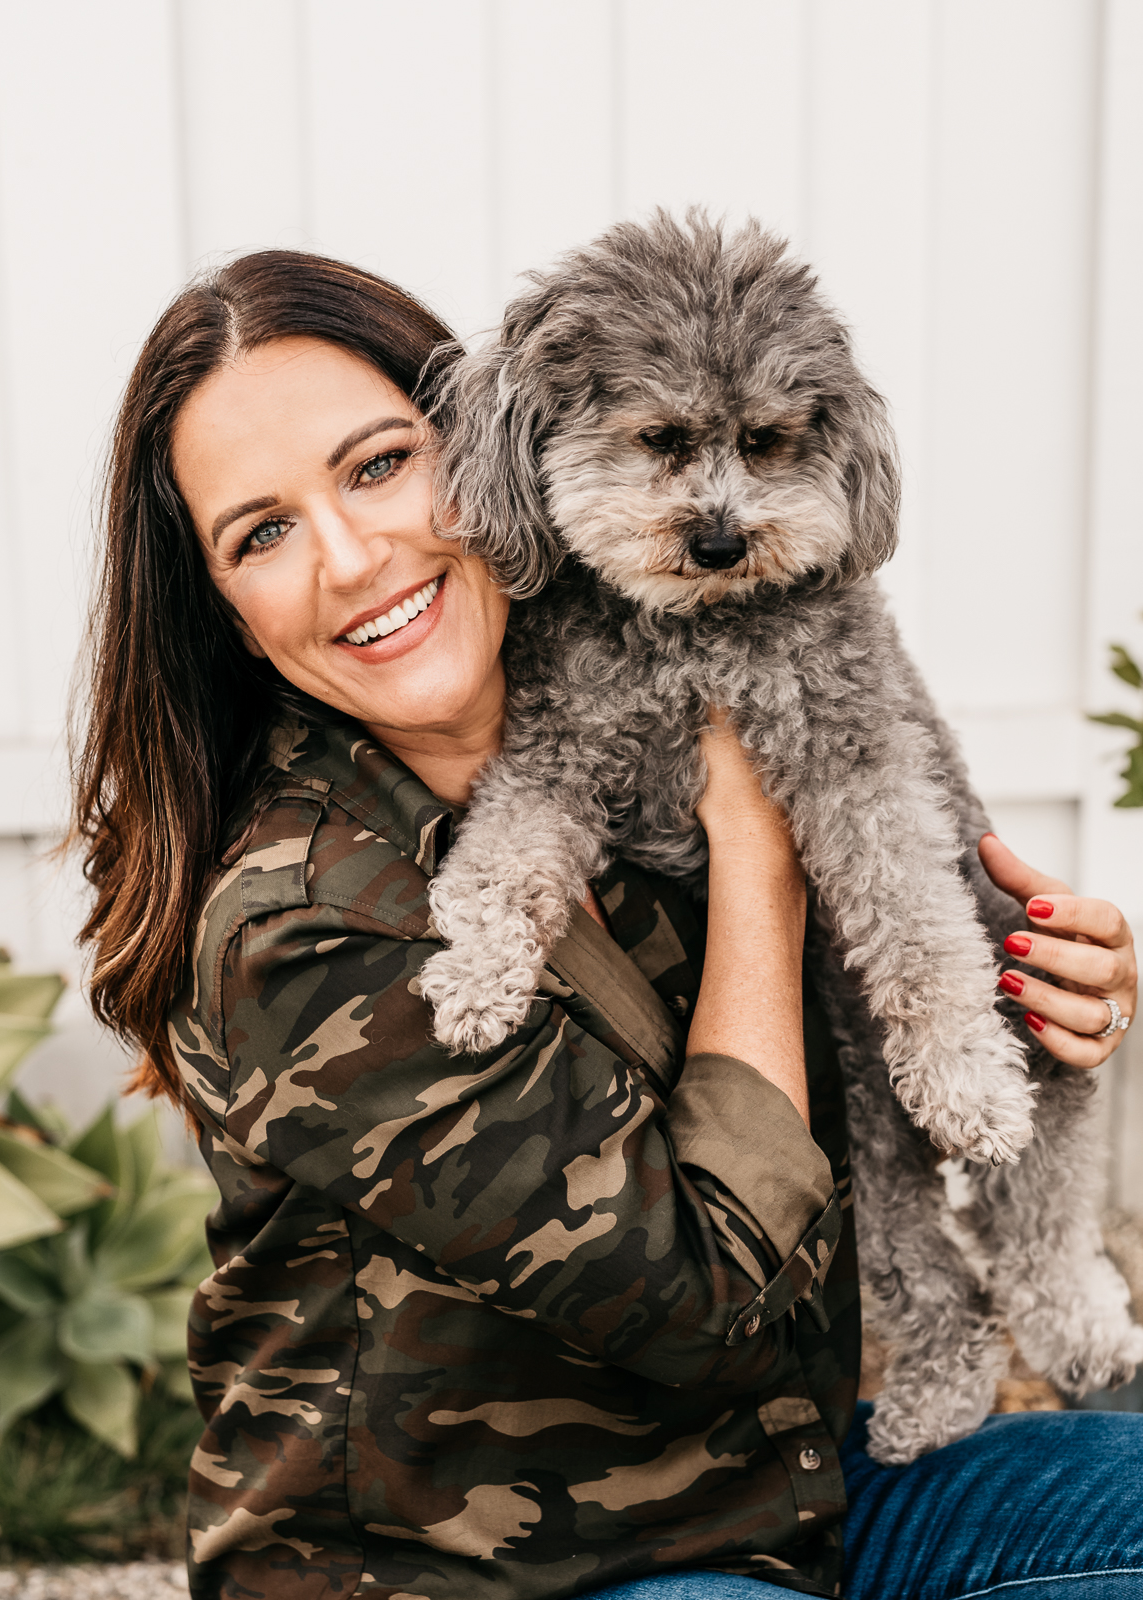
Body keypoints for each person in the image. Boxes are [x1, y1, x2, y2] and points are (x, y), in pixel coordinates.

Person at [75, 251, 1141, 1600]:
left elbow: (860, 1111)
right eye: (263, 532)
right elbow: (706, 1299)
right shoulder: (301, 926)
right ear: (222, 607)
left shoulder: (632, 671)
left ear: (491, 445)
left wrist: (1039, 1002)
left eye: (380, 466)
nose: (353, 558)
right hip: (476, 1571)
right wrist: (762, 850)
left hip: (774, 1498)